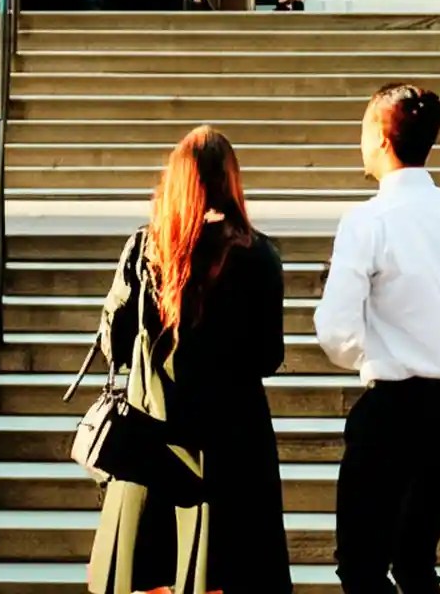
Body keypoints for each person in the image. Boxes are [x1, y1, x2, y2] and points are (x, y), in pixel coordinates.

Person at [315, 84, 440, 593]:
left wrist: (379, 348)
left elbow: (336, 333)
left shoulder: (367, 221)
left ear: (383, 139)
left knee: (361, 565)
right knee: (415, 562)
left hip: (394, 407)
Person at [86, 126, 293, 594]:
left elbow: (114, 343)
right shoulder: (259, 254)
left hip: (153, 434)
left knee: (147, 573)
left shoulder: (147, 247)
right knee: (231, 573)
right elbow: (268, 355)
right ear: (231, 180)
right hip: (234, 442)